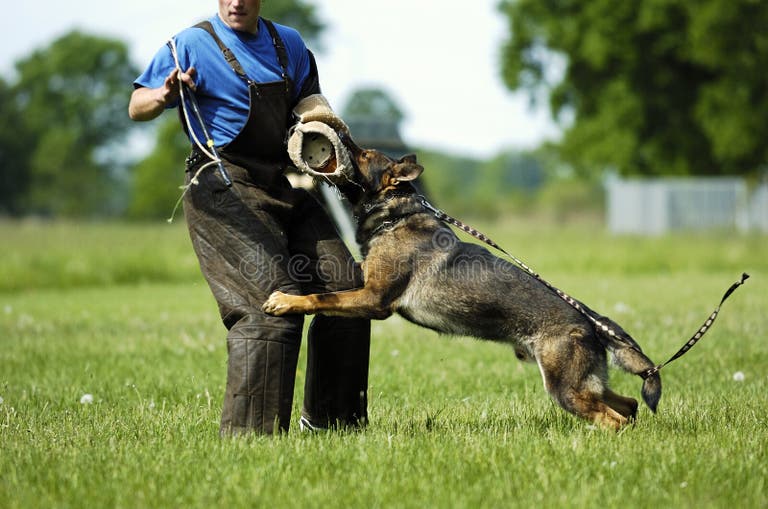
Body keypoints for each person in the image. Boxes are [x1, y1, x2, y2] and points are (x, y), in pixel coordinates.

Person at [128, 0, 371, 435]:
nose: (236, 2)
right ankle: (250, 440)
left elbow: (310, 101)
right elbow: (136, 104)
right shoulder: (189, 43)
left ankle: (332, 427)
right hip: (221, 187)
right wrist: (164, 95)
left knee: (348, 290)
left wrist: (323, 132)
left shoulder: (288, 43)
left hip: (281, 183)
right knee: (270, 308)